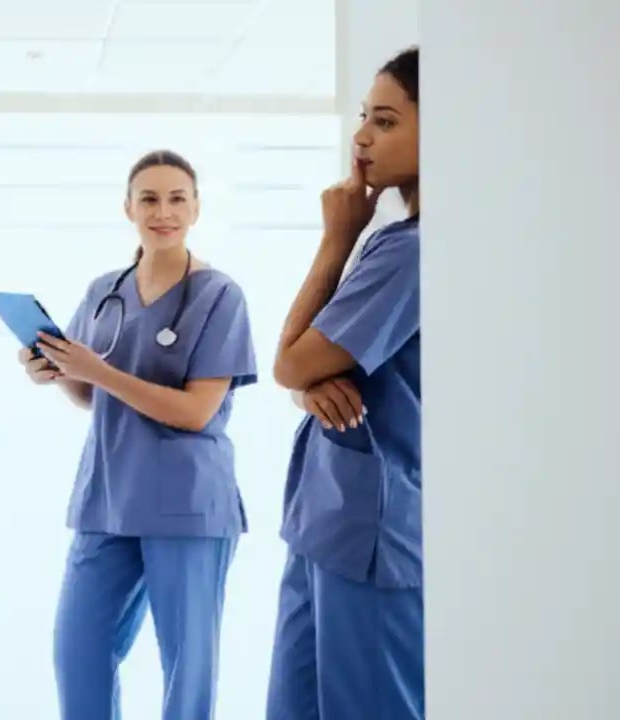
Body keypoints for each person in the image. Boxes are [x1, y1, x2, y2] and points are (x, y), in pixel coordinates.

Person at [20, 149, 258, 720]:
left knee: (186, 668)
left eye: (177, 199)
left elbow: (197, 411)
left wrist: (97, 372)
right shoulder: (106, 289)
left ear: (196, 208)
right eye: (148, 199)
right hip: (108, 498)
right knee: (78, 653)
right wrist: (54, 371)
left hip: (187, 504)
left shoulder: (219, 295)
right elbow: (90, 394)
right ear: (128, 208)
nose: (163, 212)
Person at [265, 46, 423, 719]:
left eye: (385, 121)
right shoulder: (393, 241)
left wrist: (336, 239)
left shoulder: (414, 252)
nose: (362, 137)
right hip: (325, 524)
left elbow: (289, 360)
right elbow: (305, 369)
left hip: (370, 531)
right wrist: (308, 388)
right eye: (363, 117)